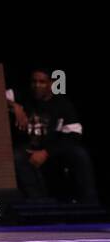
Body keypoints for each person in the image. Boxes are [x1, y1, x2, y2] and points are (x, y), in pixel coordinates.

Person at [10, 69, 98, 203]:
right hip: (28, 148)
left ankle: (89, 204)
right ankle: (39, 204)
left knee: (79, 154)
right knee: (16, 156)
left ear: (50, 84)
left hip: (52, 149)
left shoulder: (61, 104)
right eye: (34, 82)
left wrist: (47, 152)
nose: (37, 85)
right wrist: (14, 106)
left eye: (42, 82)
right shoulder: (23, 96)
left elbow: (75, 134)